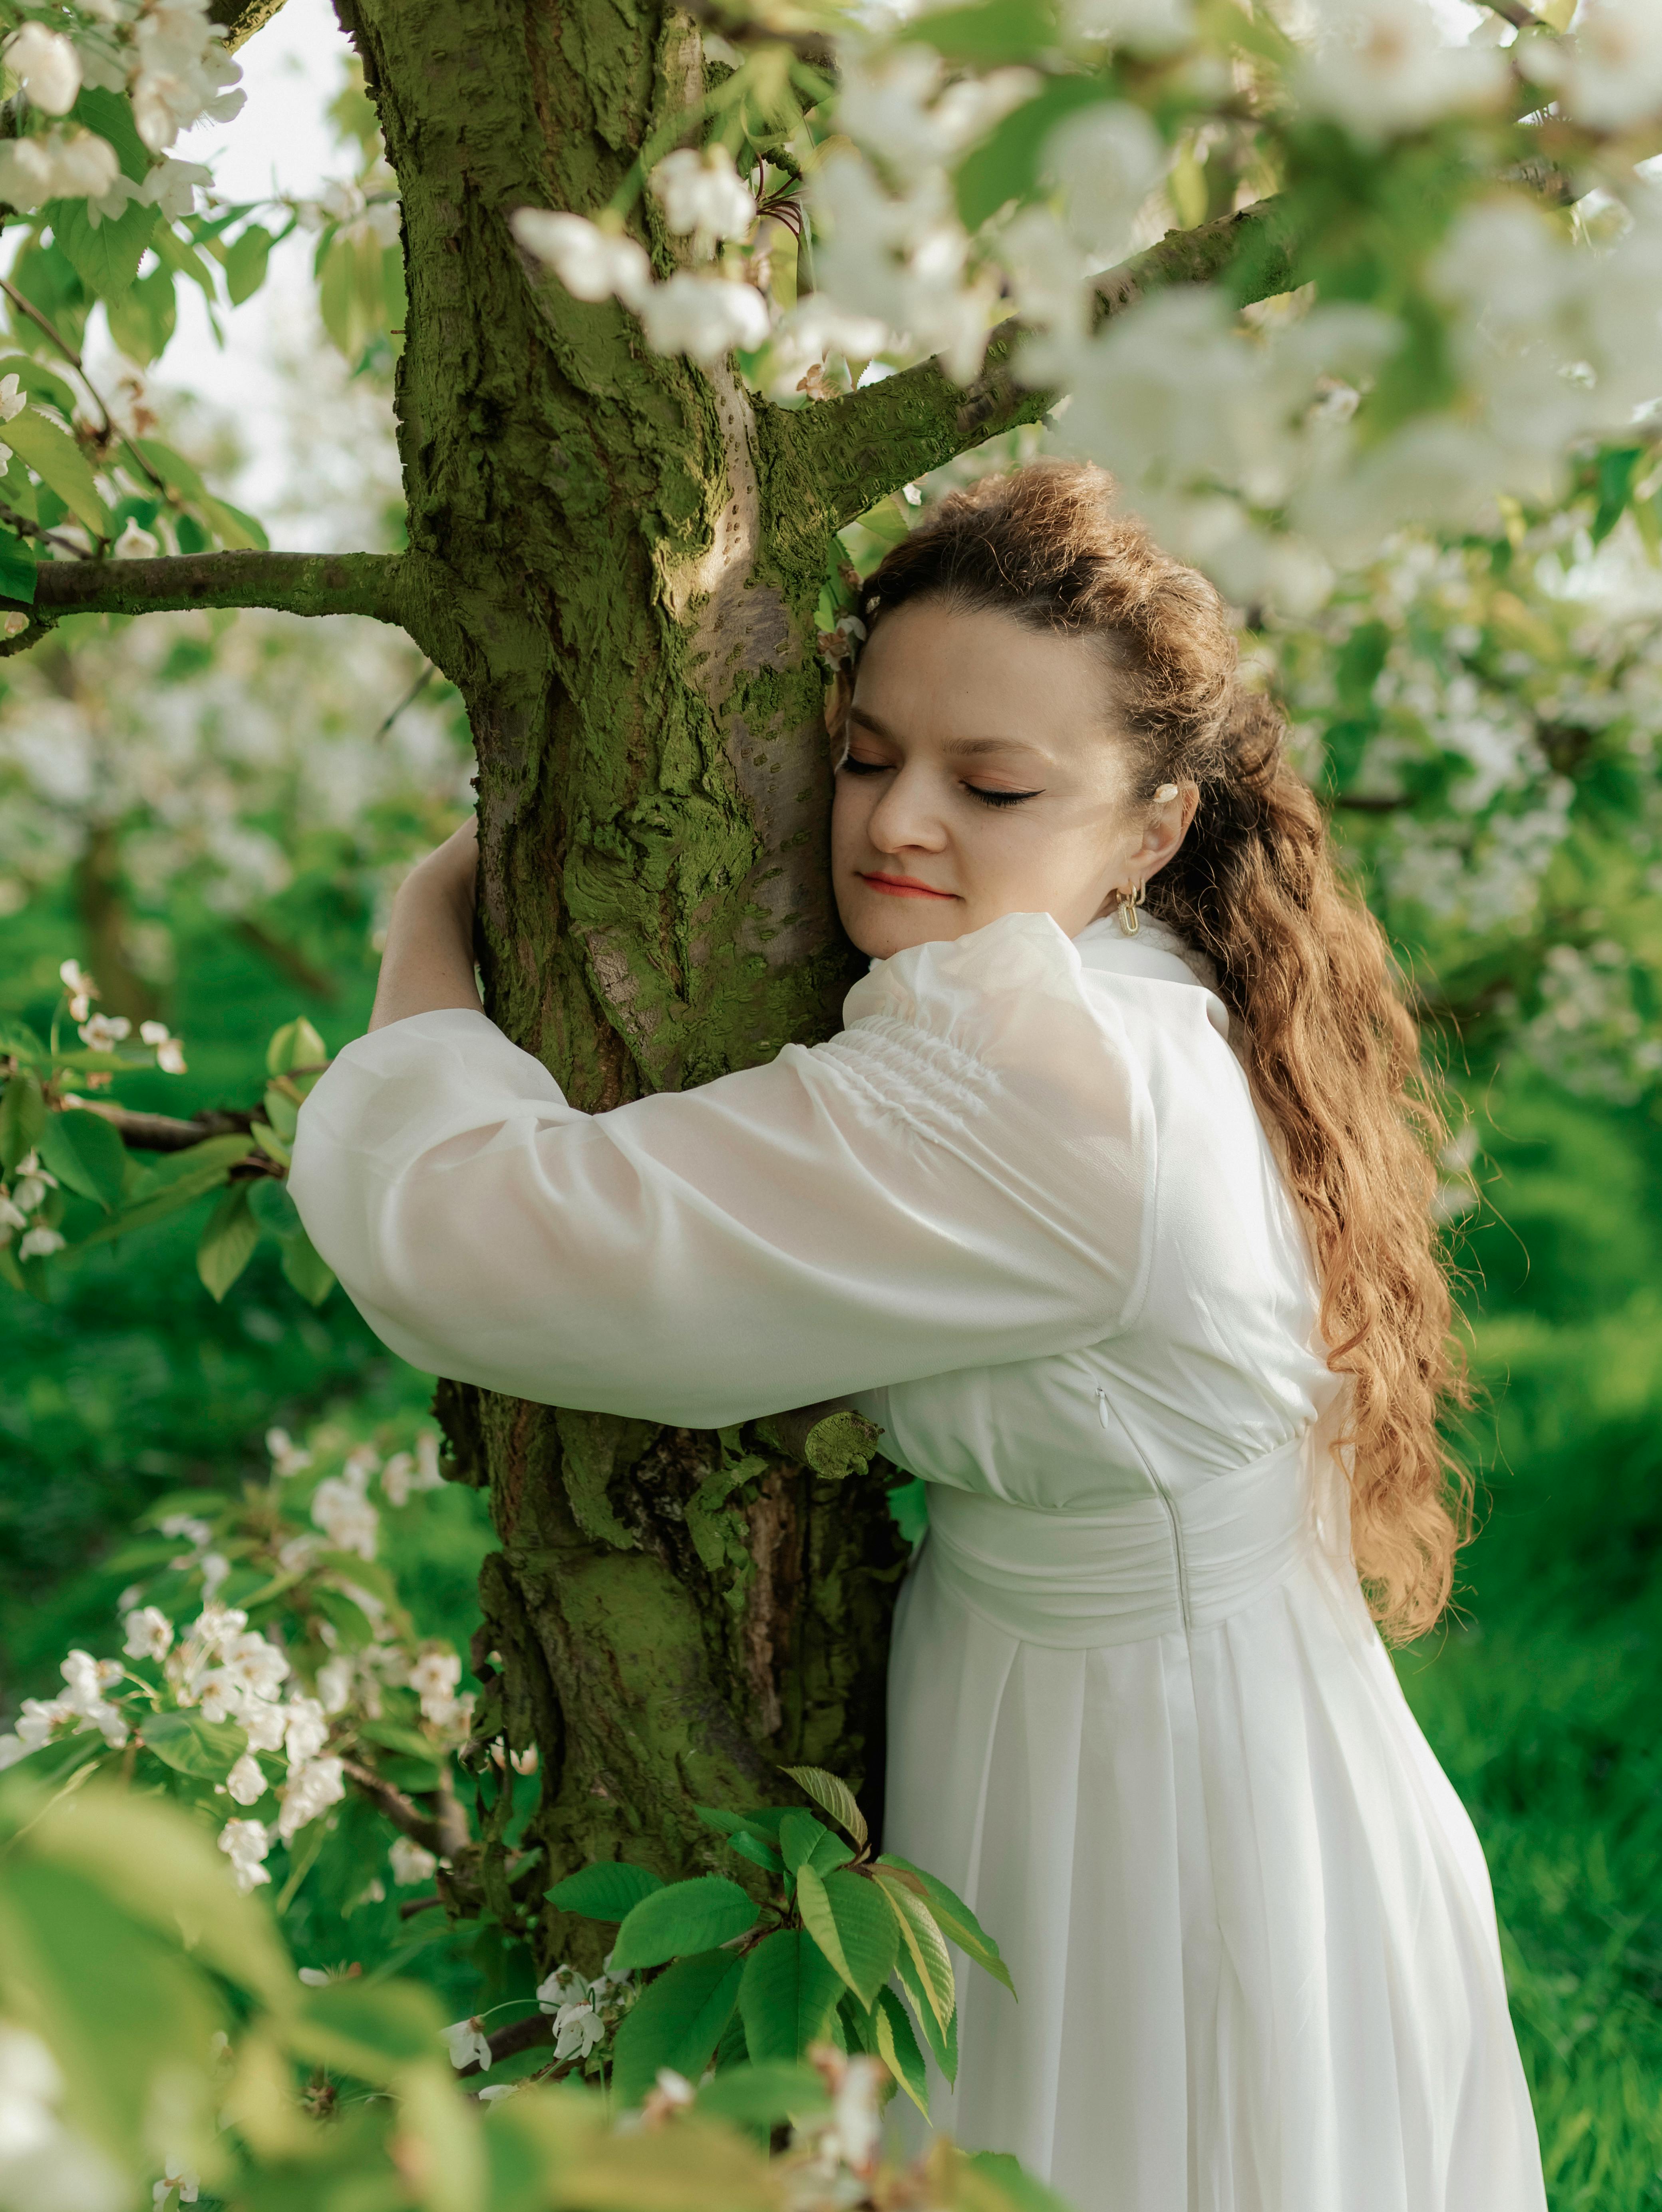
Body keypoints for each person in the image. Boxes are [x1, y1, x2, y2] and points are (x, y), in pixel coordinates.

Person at [289, 461, 1547, 2212]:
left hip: (1153, 1812)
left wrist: (430, 928)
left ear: (1152, 830)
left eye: (995, 783)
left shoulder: (1037, 1082)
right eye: (867, 754)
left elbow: (480, 1239)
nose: (899, 822)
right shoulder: (1142, 994)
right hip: (1174, 1739)